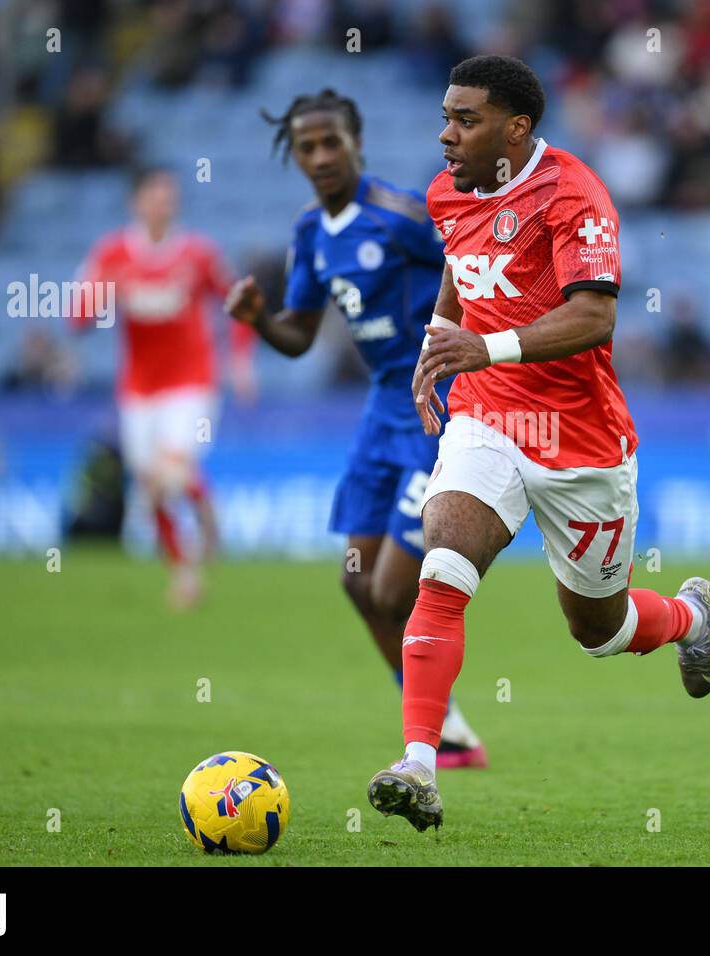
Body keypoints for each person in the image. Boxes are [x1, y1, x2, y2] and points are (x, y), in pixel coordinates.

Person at [366, 56, 710, 831]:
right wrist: (440, 344)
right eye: (445, 116)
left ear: (516, 127)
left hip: (581, 442)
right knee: (445, 568)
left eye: (465, 120)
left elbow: (595, 317)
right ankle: (419, 765)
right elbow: (462, 273)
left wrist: (485, 349)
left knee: (597, 629)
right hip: (487, 418)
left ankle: (689, 618)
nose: (446, 134)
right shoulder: (446, 193)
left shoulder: (573, 194)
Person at [224, 90, 488, 769]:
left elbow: (471, 262)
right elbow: (301, 337)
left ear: (357, 144)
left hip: (439, 403)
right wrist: (258, 319)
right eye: (307, 147)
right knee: (354, 578)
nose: (320, 157)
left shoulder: (400, 215)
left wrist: (461, 344)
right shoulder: (311, 234)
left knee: (393, 589)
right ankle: (449, 725)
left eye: (331, 143)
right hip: (380, 413)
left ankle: (429, 736)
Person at [73, 166, 255, 608]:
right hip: (138, 390)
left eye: (169, 197)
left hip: (192, 383)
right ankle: (190, 549)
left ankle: (188, 572)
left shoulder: (197, 254)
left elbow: (240, 302)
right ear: (136, 202)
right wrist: (101, 295)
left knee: (164, 475)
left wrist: (241, 362)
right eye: (155, 196)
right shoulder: (112, 254)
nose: (163, 204)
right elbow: (77, 322)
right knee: (151, 486)